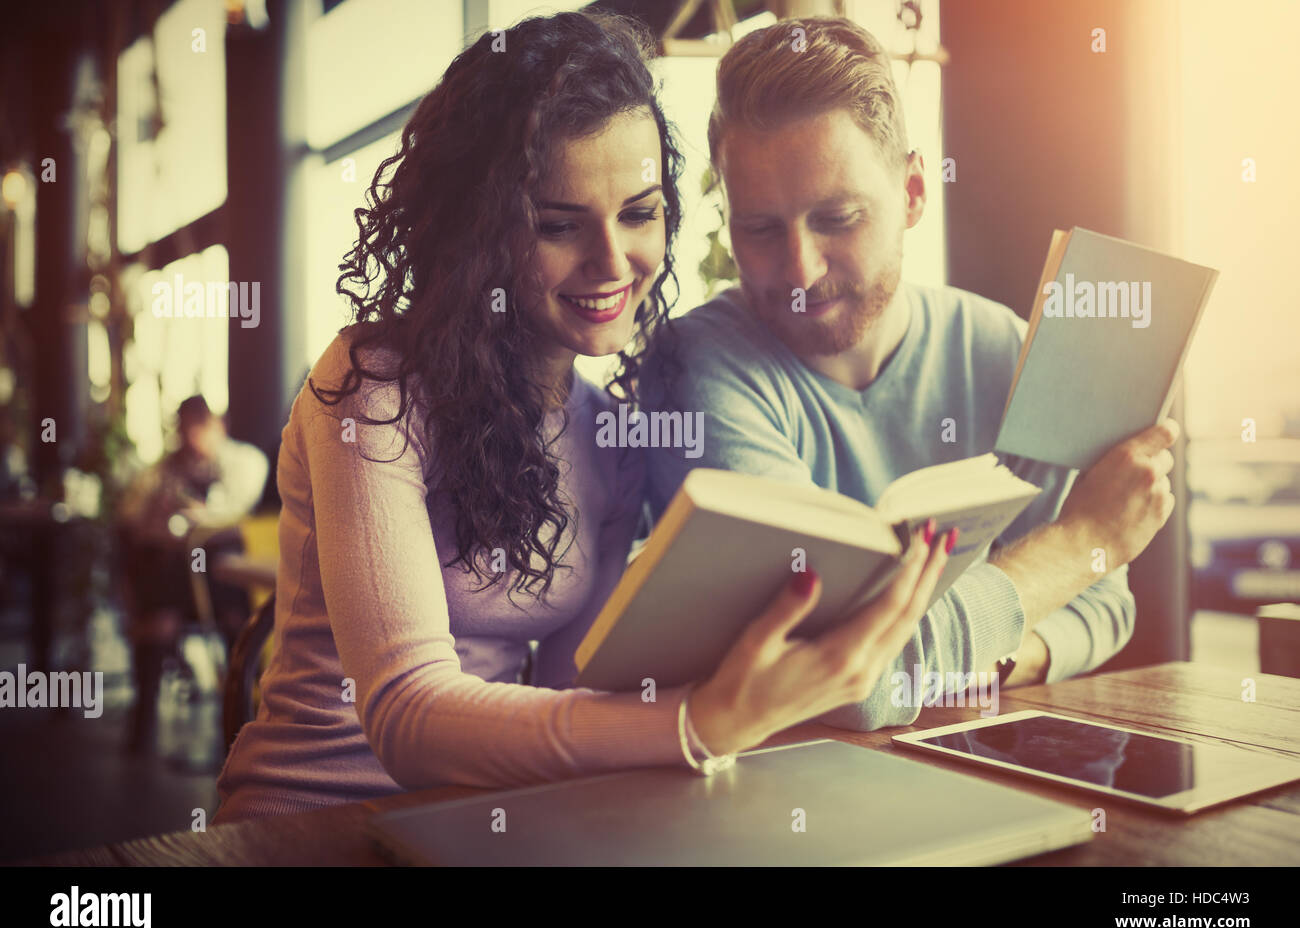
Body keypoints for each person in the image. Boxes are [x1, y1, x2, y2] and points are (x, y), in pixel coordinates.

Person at [214, 11, 953, 821]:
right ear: (480, 233)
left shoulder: (610, 431)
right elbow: (407, 714)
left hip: (485, 821)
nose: (612, 262)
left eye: (639, 213)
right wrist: (697, 721)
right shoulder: (374, 388)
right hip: (311, 824)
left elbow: (576, 690)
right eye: (558, 225)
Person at [641, 16, 1179, 731]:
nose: (800, 270)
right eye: (760, 228)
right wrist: (1078, 541)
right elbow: (836, 682)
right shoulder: (695, 369)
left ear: (915, 191)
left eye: (838, 217)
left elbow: (1105, 603)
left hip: (1000, 774)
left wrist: (951, 666)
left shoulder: (1003, 348)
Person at [118, 395, 269, 751]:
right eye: (186, 429)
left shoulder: (243, 461)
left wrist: (198, 515)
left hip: (224, 571)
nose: (193, 439)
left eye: (200, 428)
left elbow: (234, 510)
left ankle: (237, 731)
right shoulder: (162, 471)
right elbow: (131, 516)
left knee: (238, 625)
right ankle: (143, 726)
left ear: (219, 426)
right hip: (175, 570)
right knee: (157, 616)